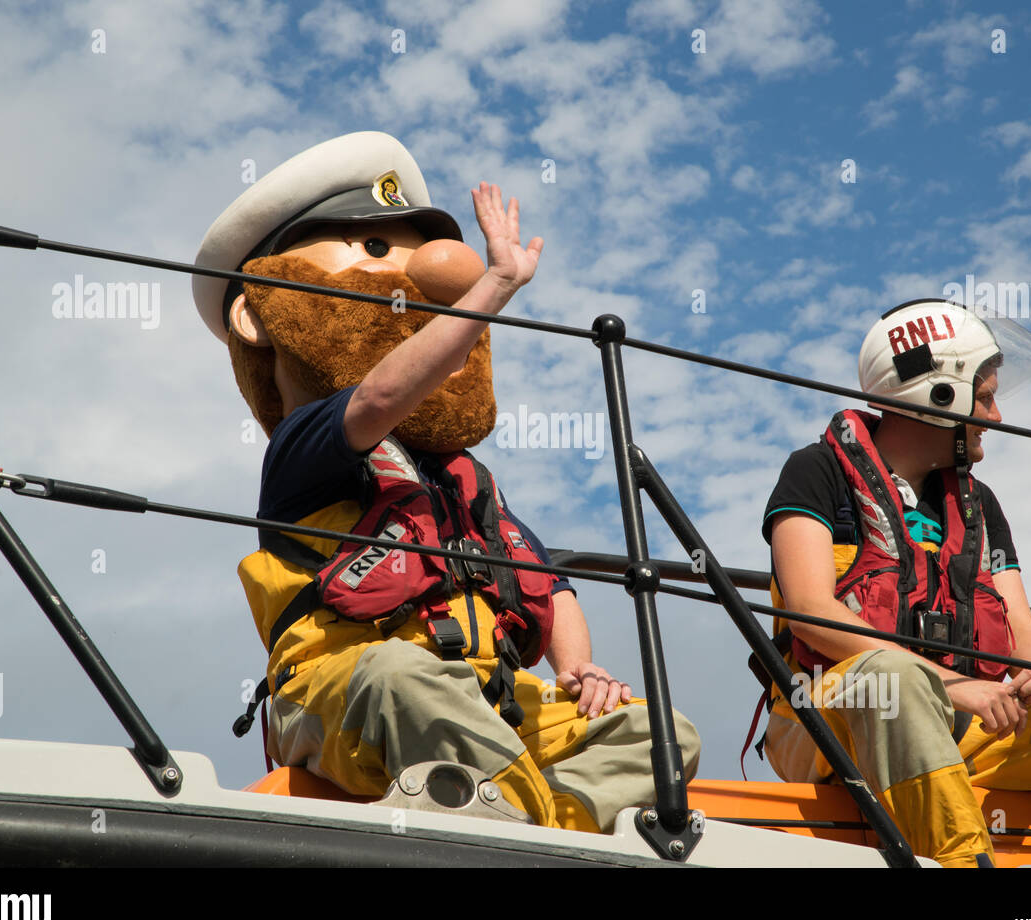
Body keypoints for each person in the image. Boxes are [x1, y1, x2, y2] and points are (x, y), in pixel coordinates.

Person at [192, 131, 699, 833]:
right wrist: (491, 288)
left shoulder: (467, 482)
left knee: (661, 737)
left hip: (489, 702)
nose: (424, 279)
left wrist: (578, 670)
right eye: (372, 251)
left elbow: (548, 585)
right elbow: (375, 400)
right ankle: (517, 815)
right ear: (254, 313)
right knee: (406, 677)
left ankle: (529, 821)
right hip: (345, 689)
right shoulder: (305, 446)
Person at [759, 297, 1031, 867]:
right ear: (937, 400)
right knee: (896, 679)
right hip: (830, 720)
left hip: (962, 723)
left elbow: (1021, 628)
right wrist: (946, 683)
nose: (996, 417)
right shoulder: (815, 471)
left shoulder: (979, 504)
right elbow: (809, 608)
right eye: (986, 397)